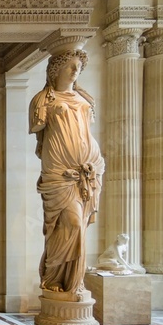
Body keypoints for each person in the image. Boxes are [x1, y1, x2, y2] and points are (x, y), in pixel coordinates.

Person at [29, 50, 105, 294]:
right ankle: (54, 277)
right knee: (70, 223)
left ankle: (74, 283)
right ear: (55, 70)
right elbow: (39, 129)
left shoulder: (84, 98)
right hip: (59, 172)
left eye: (78, 67)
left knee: (78, 225)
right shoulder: (44, 99)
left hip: (88, 171)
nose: (75, 71)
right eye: (70, 66)